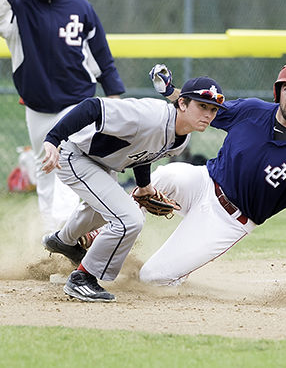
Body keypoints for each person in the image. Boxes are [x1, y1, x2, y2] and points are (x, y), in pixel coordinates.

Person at [138, 61, 286, 285]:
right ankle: (109, 235)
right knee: (165, 176)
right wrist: (169, 91)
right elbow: (204, 106)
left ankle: (174, 276)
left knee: (152, 277)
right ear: (278, 92)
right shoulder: (252, 110)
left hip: (227, 220)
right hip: (204, 182)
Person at [40, 73, 227, 302]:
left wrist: (144, 186)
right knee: (129, 218)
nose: (208, 114)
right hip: (74, 154)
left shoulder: (181, 139)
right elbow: (93, 106)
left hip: (100, 163)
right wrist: (53, 139)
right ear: (182, 103)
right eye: (202, 106)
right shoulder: (149, 116)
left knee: (107, 209)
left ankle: (64, 241)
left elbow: (144, 153)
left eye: (214, 109)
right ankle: (82, 279)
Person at [0, 0, 125, 234]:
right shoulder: (19, 10)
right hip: (38, 105)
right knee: (45, 169)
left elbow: (101, 54)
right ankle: (52, 238)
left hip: (76, 100)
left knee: (67, 160)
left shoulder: (79, 6)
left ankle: (70, 234)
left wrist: (114, 92)